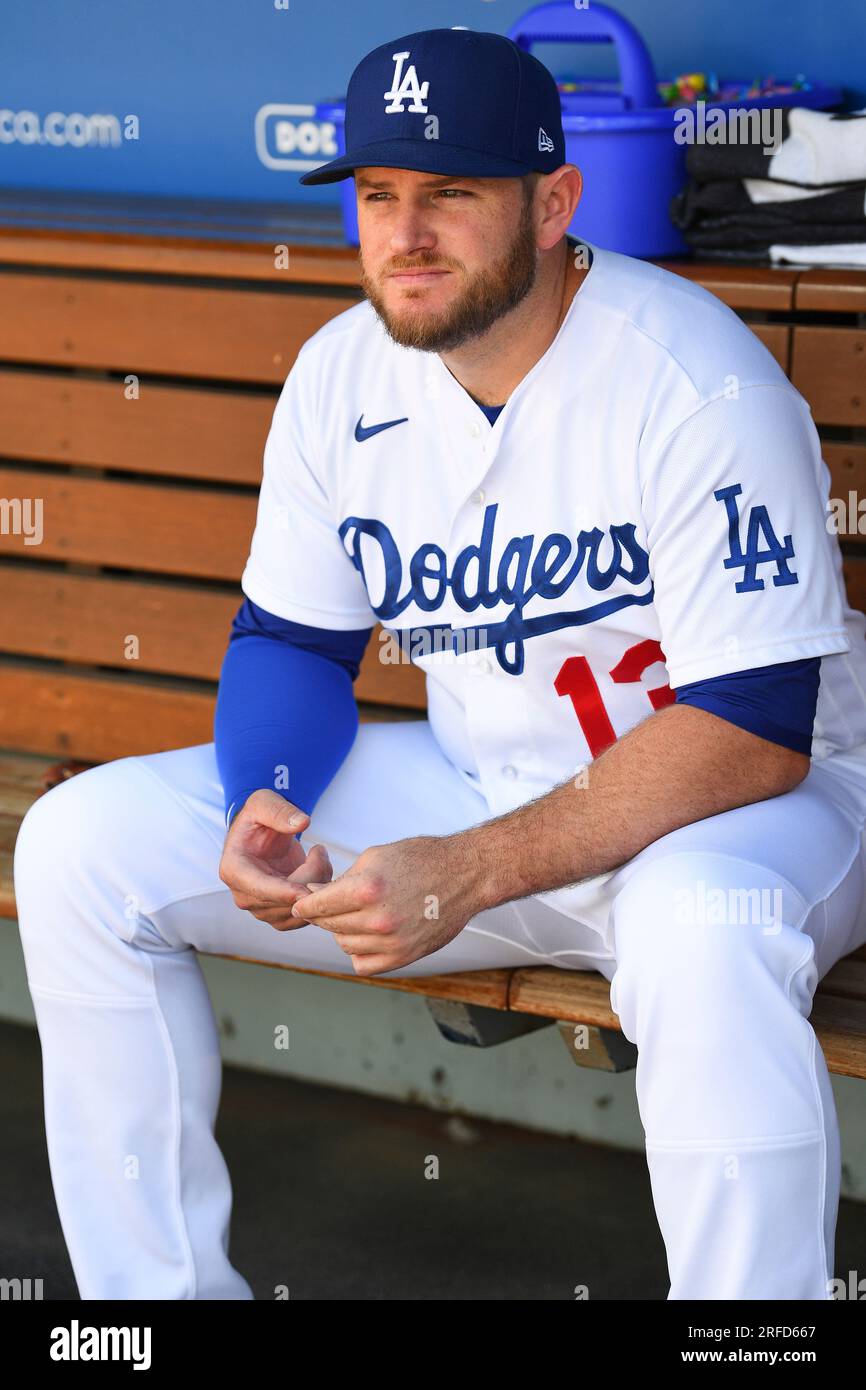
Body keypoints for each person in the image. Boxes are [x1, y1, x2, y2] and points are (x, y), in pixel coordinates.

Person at [14, 27, 866, 1301]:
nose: (404, 234)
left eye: (451, 192)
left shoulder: (693, 380)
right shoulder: (339, 375)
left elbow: (750, 726)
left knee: (702, 924)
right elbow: (292, 640)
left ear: (553, 203)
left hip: (743, 815)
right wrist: (272, 793)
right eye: (376, 195)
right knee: (79, 846)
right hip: (489, 793)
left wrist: (466, 870)